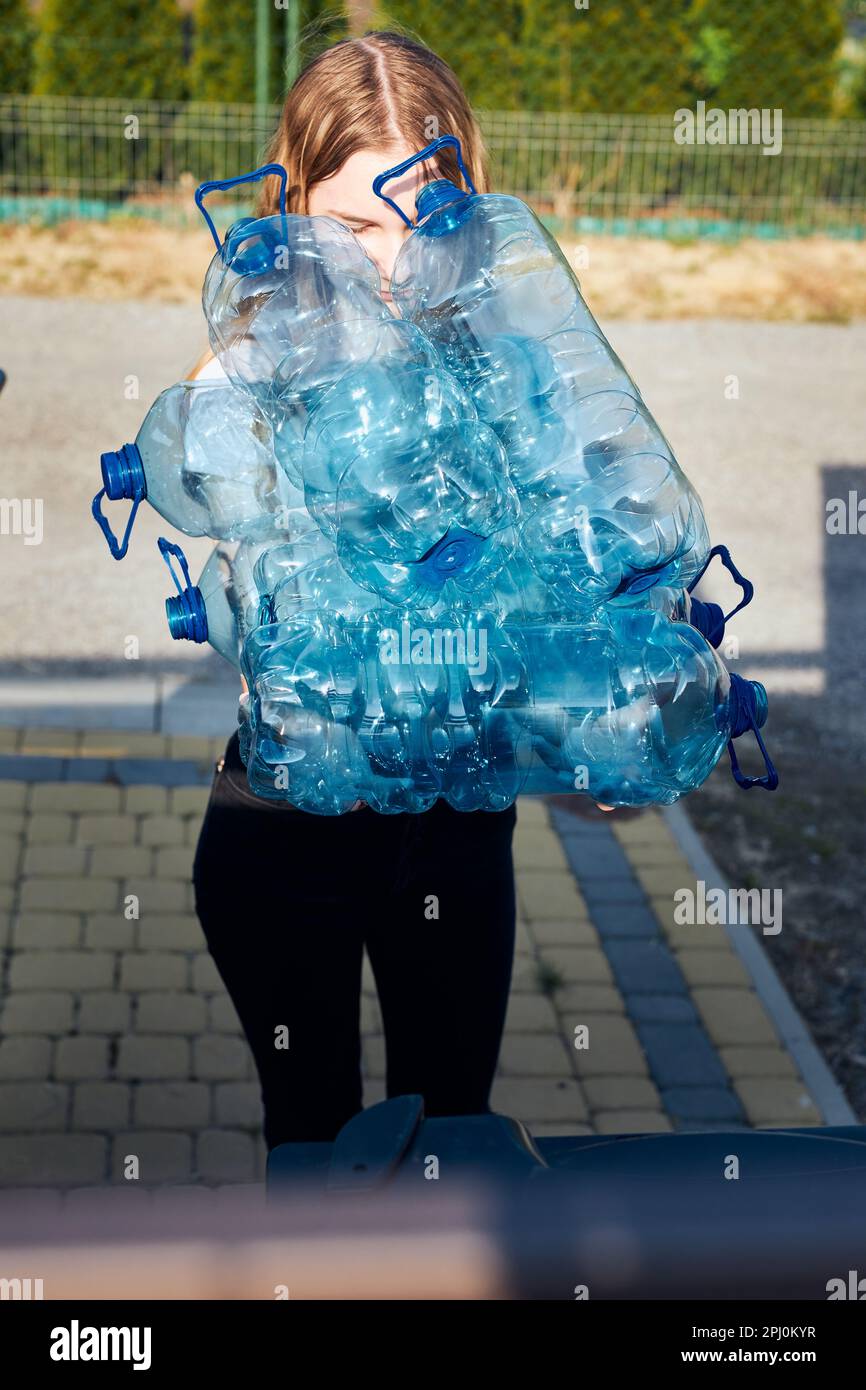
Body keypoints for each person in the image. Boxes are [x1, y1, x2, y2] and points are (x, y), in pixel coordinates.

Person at [191, 32, 520, 1152]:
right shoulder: (243, 375)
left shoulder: (501, 366)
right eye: (348, 227)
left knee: (452, 1145)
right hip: (288, 837)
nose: (379, 266)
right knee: (319, 1152)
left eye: (410, 226)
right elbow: (255, 605)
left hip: (456, 839)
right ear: (289, 208)